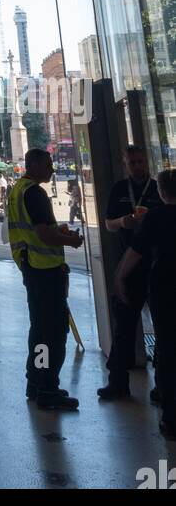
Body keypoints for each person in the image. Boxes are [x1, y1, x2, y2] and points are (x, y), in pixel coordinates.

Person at [7, 148, 83, 410]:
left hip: (31, 267)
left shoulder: (18, 189)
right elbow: (43, 235)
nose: (52, 170)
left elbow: (34, 230)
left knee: (39, 330)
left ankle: (36, 382)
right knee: (53, 331)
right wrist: (70, 240)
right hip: (45, 269)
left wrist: (55, 230)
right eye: (49, 164)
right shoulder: (35, 192)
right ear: (35, 164)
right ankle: (48, 387)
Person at [115, 167, 176, 440]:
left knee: (168, 347)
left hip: (165, 287)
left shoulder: (156, 217)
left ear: (161, 192)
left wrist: (120, 276)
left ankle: (172, 416)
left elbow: (136, 251)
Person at [98, 145, 162, 401]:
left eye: (140, 162)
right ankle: (117, 382)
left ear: (146, 163)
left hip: (158, 266)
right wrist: (123, 222)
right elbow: (108, 224)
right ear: (125, 165)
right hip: (129, 265)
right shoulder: (119, 190)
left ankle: (163, 386)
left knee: (163, 327)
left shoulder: (159, 189)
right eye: (132, 163)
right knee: (123, 326)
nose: (137, 166)